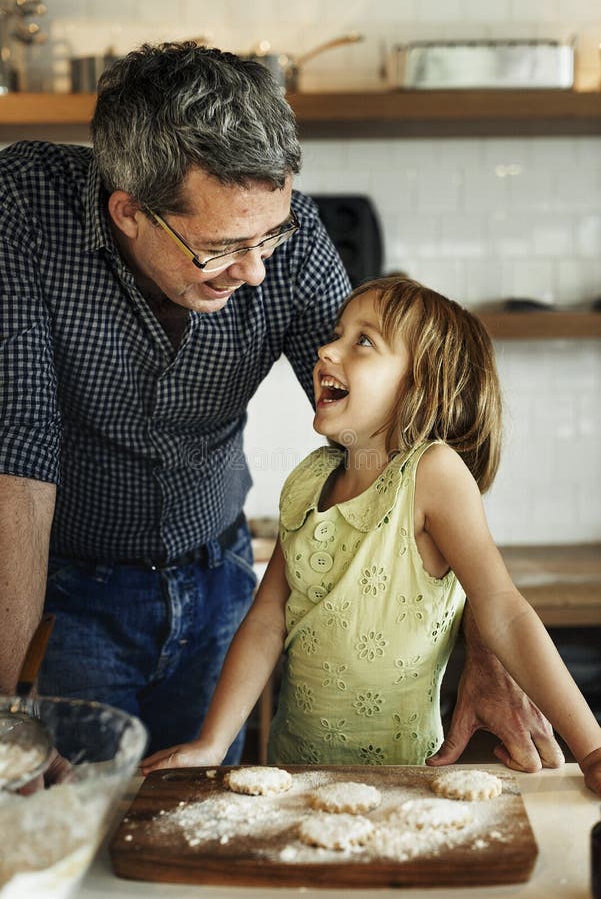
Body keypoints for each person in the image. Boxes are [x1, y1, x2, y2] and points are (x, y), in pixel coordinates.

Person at [0, 43, 562, 770]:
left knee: (201, 821)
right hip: (64, 591)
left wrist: (488, 648)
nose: (257, 268)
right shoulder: (22, 209)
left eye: (271, 232)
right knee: (75, 822)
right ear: (130, 212)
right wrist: (8, 714)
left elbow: (402, 435)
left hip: (219, 583)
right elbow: (19, 449)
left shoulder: (283, 243)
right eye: (222, 246)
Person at [141, 276, 601, 797]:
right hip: (294, 775)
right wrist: (211, 743)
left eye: (363, 340)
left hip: (403, 781)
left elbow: (505, 611)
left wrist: (592, 746)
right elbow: (267, 620)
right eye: (338, 332)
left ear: (420, 384)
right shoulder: (308, 479)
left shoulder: (434, 475)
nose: (327, 348)